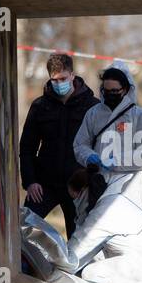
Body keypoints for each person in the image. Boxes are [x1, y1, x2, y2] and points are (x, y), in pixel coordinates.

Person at [54, 167, 142, 283]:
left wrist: (52, 263)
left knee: (92, 274)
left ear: (84, 191)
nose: (74, 203)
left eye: (75, 198)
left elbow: (77, 249)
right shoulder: (110, 200)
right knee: (95, 263)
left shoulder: (104, 212)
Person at [19, 53, 98, 237]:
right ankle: (29, 267)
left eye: (63, 78)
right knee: (23, 227)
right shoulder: (40, 106)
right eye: (54, 80)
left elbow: (100, 148)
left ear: (72, 75)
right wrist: (30, 181)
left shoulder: (92, 107)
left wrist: (91, 183)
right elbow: (27, 147)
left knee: (79, 240)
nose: (59, 83)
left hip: (78, 186)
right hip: (44, 184)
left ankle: (75, 268)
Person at [72, 61, 142, 203]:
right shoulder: (93, 114)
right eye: (107, 91)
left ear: (125, 89)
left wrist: (116, 161)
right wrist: (89, 156)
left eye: (115, 91)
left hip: (128, 187)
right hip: (98, 184)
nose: (110, 94)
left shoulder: (139, 116)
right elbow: (80, 144)